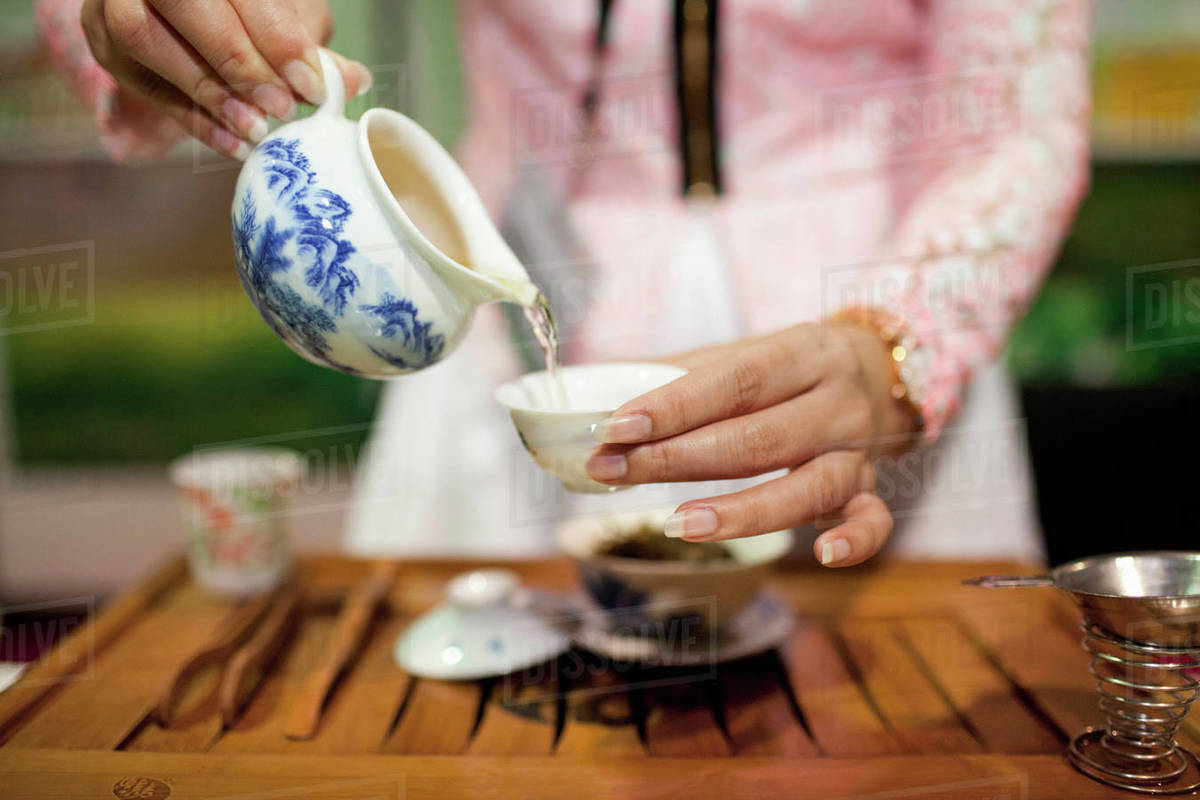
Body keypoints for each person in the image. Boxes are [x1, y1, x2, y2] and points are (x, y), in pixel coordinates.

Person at [41, 0, 1091, 566]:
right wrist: (158, 28)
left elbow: (1019, 122)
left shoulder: (886, 346)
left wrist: (895, 349)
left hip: (865, 336)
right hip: (510, 311)